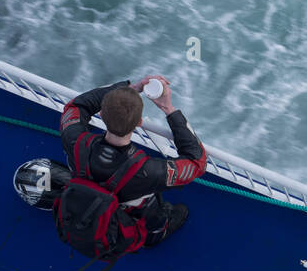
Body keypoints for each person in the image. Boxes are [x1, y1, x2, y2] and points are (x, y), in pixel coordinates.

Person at [58, 74, 207, 249]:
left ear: (101, 114)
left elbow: (76, 105)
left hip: (84, 199)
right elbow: (197, 162)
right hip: (126, 215)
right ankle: (156, 233)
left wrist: (130, 88)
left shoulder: (74, 141)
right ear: (139, 123)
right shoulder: (148, 171)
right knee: (152, 205)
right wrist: (169, 109)